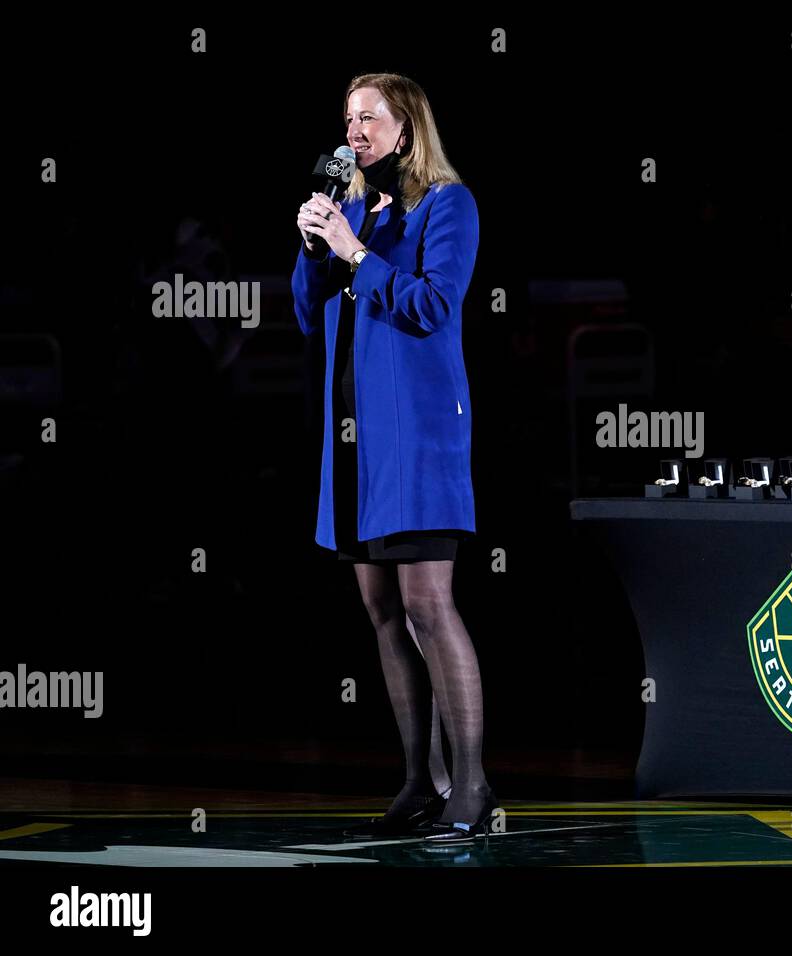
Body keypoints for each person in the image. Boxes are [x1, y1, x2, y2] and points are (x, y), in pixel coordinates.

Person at [292, 72, 496, 842]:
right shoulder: (354, 210)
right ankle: (419, 779)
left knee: (427, 606)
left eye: (369, 117)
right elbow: (310, 320)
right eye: (346, 117)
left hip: (417, 438)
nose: (354, 130)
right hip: (355, 441)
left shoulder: (449, 205)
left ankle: (471, 783)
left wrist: (357, 255)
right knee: (381, 610)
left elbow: (434, 304)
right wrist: (319, 249)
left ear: (406, 126)